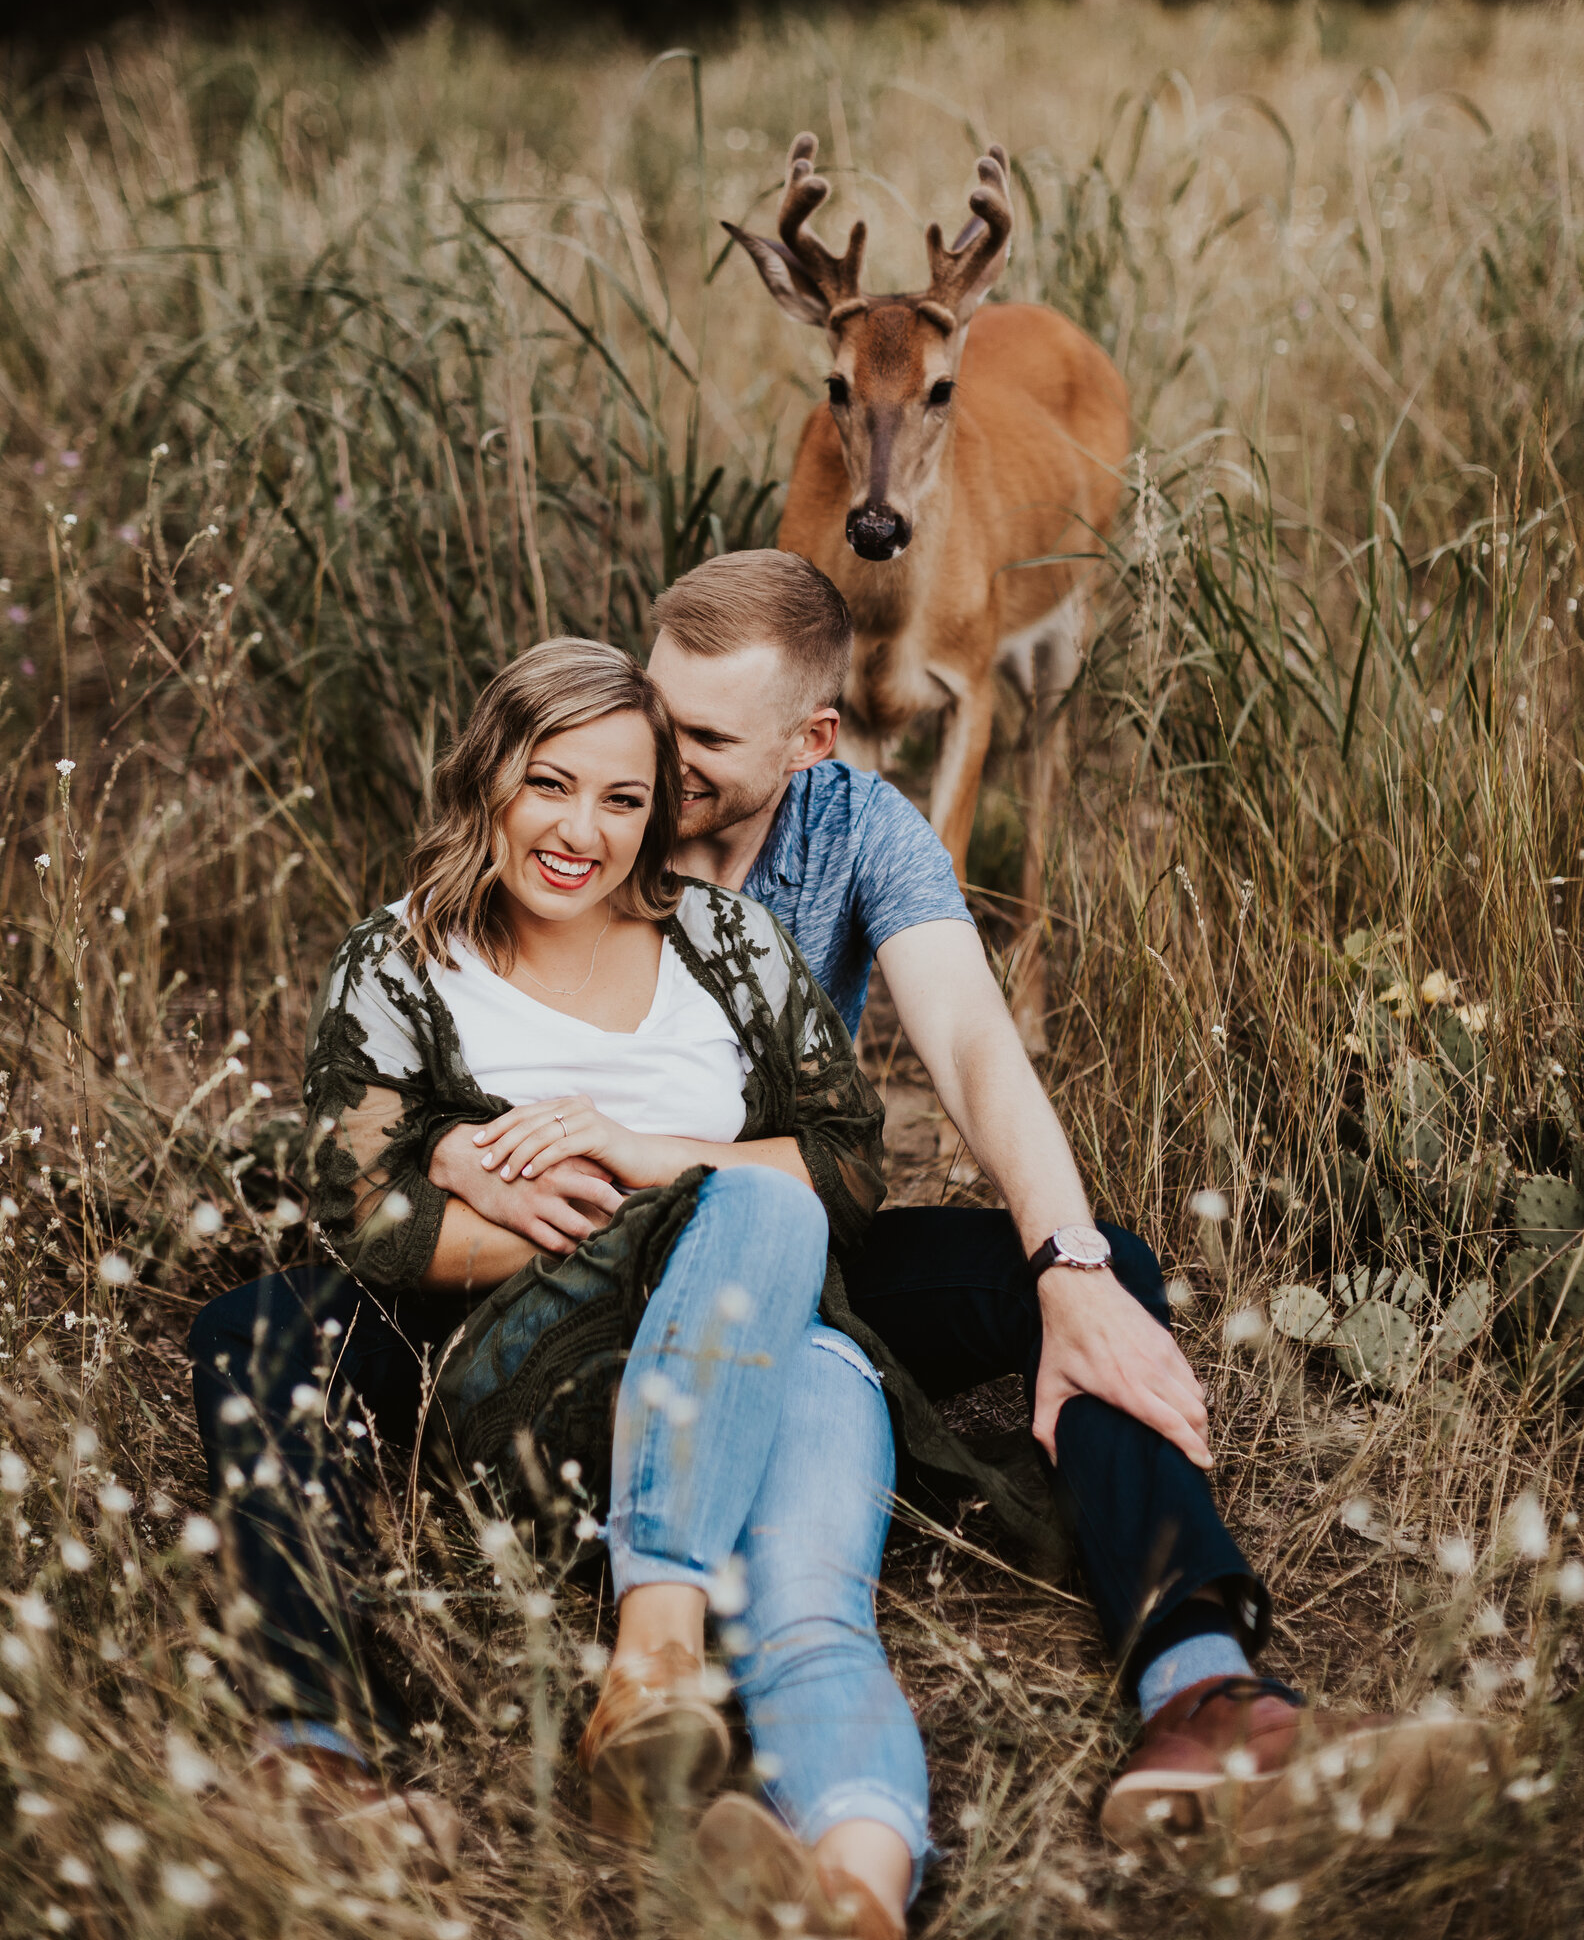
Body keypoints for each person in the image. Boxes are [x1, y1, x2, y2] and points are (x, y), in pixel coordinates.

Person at [191, 556, 1489, 1865]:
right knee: (256, 1328)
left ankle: (1200, 1692)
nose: (656, 760)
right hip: (526, 1274)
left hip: (772, 1250)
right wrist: (454, 1159)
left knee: (1095, 1275)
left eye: (698, 744)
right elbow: (386, 1101)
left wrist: (1070, 1261)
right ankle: (316, 1746)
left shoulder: (849, 833)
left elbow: (969, 1047)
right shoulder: (534, 848)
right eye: (649, 714)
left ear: (810, 741)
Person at [258, 636, 924, 1934]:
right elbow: (340, 1195)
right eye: (552, 784)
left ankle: (860, 1891)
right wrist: (456, 1159)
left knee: (815, 1610)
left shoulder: (725, 941)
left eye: (624, 799)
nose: (583, 831)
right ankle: (655, 1649)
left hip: (788, 1330)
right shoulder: (403, 964)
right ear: (491, 775)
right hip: (557, 1363)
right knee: (746, 1197)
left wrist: (650, 1160)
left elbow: (848, 1164)